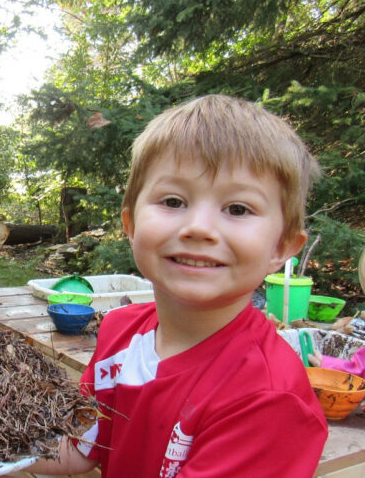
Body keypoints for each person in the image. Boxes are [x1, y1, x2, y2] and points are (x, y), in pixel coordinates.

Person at [25, 95, 328, 477]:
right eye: (173, 201)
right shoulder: (119, 332)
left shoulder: (268, 398)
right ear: (131, 225)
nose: (198, 227)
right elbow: (82, 445)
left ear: (282, 247)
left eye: (237, 209)